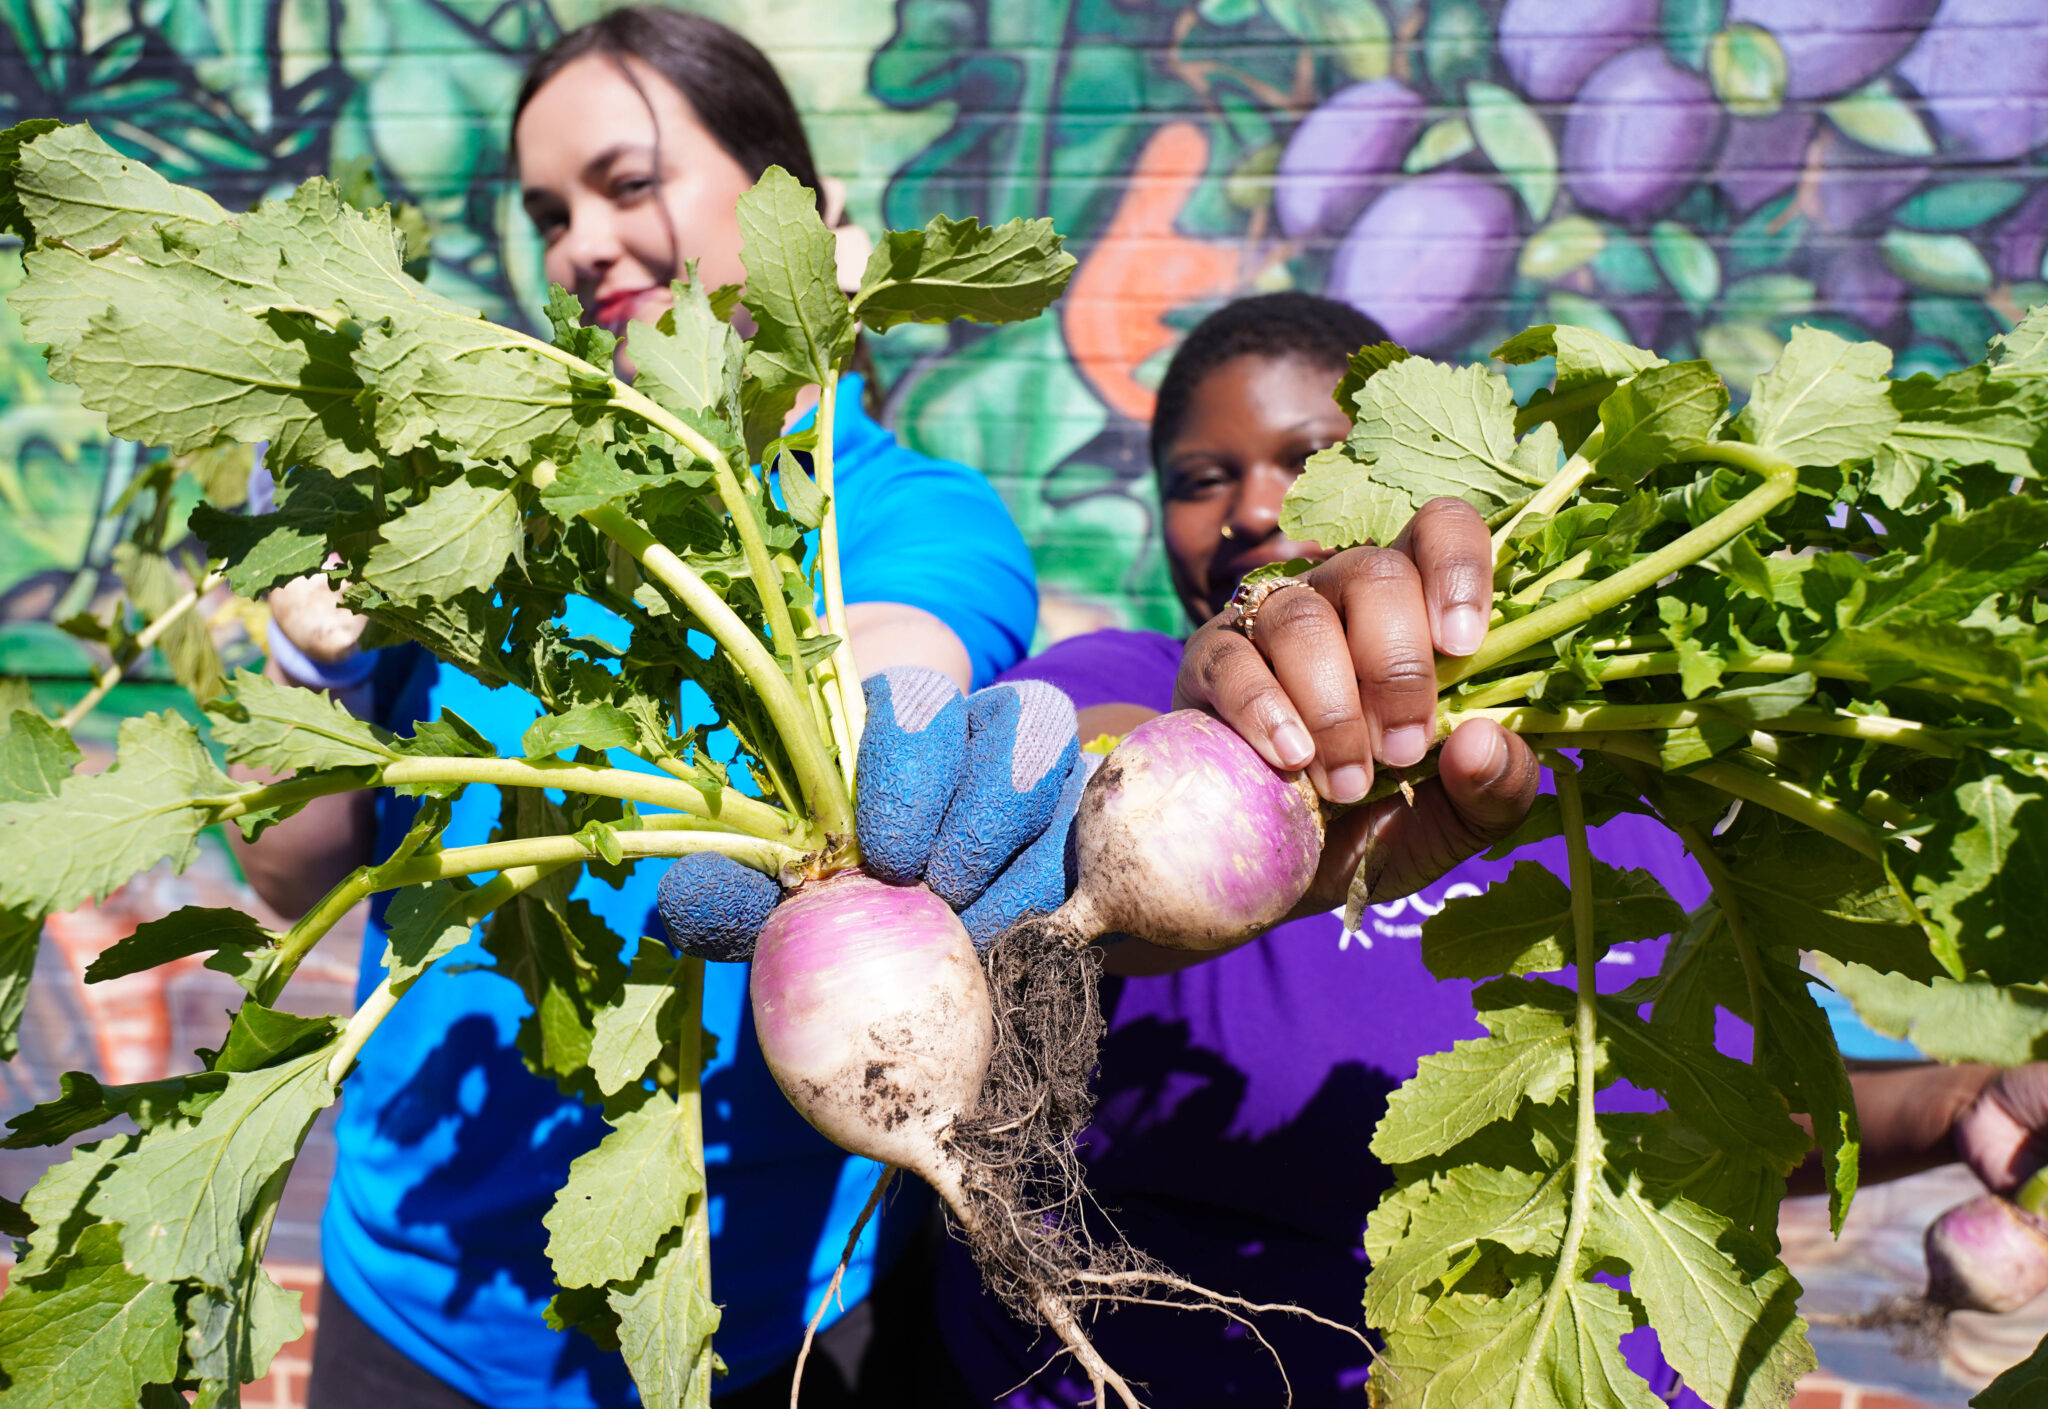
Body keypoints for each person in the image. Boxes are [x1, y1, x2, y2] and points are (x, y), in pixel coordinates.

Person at [920, 292, 2048, 1406]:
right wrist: (1203, 753)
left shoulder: (1650, 770)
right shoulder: (1128, 681)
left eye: (1307, 457)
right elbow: (1072, 792)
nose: (1252, 508)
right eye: (1199, 478)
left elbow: (1710, 1128)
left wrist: (1956, 1107)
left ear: (1402, 479)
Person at [234, 10, 1038, 1408]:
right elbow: (285, 876)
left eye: (627, 184)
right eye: (550, 215)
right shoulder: (477, 526)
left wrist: (812, 361)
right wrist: (322, 671)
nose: (582, 247)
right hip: (412, 1290)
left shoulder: (908, 517)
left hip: (760, 1317)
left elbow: (882, 684)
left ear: (801, 209)